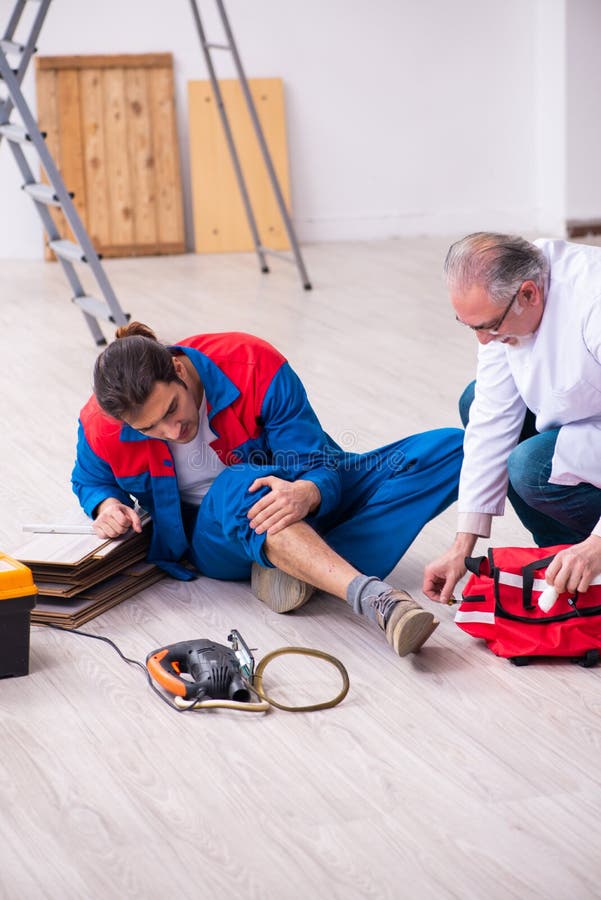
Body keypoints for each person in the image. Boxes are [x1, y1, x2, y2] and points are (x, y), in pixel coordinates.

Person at [72, 322, 463, 657]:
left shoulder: (250, 361)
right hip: (216, 537)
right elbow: (91, 479)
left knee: (454, 449)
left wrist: (308, 491)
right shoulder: (101, 423)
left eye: (172, 408)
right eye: (150, 428)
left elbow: (314, 462)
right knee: (239, 483)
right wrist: (107, 505)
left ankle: (294, 563)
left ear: (177, 367)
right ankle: (372, 597)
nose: (172, 431)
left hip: (303, 494)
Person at [423, 232, 601, 606]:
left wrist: (598, 544)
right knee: (474, 401)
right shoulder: (503, 308)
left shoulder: (592, 305)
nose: (483, 340)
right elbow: (491, 417)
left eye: (489, 326)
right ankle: (562, 556)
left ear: (529, 294)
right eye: (470, 326)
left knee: (531, 466)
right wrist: (462, 546)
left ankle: (586, 557)